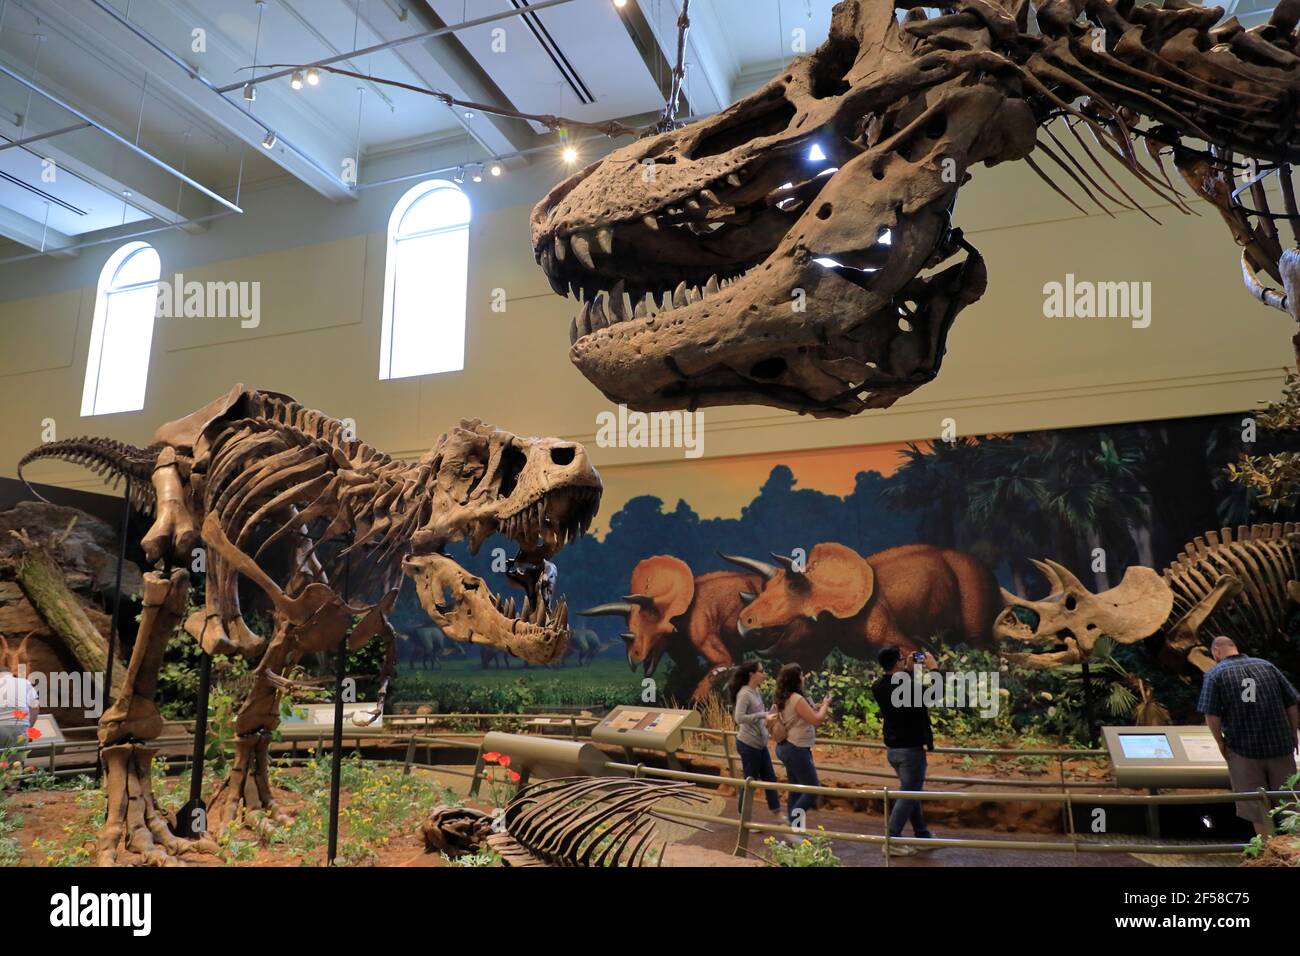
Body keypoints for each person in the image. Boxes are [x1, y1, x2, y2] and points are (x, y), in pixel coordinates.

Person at [1197, 636, 1300, 836]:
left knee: (1255, 805)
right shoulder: (1267, 666)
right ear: (1235, 647)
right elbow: (1292, 702)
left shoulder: (1215, 674)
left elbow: (1211, 713)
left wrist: (1220, 741)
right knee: (1290, 800)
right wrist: (1293, 733)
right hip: (1280, 745)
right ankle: (1294, 851)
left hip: (1243, 749)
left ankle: (1267, 850)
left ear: (1216, 651)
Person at [873, 645, 937, 857]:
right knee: (909, 793)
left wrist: (910, 670)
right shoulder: (905, 688)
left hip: (894, 750)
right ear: (898, 662)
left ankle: (922, 835)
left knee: (911, 793)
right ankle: (892, 838)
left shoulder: (879, 686)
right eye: (902, 659)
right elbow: (931, 695)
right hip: (910, 751)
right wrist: (933, 668)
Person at [773, 663, 830, 829]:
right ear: (796, 679)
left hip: (787, 746)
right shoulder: (797, 698)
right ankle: (792, 824)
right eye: (801, 675)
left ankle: (796, 831)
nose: (804, 677)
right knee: (813, 789)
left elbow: (806, 715)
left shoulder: (785, 697)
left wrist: (815, 709)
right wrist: (825, 704)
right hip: (796, 747)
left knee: (796, 789)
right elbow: (816, 720)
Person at [728, 661, 782, 818]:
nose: (764, 673)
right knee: (750, 782)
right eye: (761, 671)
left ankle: (777, 812)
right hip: (748, 744)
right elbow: (739, 718)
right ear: (752, 674)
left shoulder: (755, 692)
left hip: (760, 744)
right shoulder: (744, 694)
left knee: (769, 778)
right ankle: (744, 817)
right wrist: (763, 715)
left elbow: (758, 716)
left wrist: (769, 714)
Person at [0, 641, 40, 751]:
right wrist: (29, 728)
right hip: (20, 728)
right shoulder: (24, 683)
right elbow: (35, 707)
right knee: (16, 762)